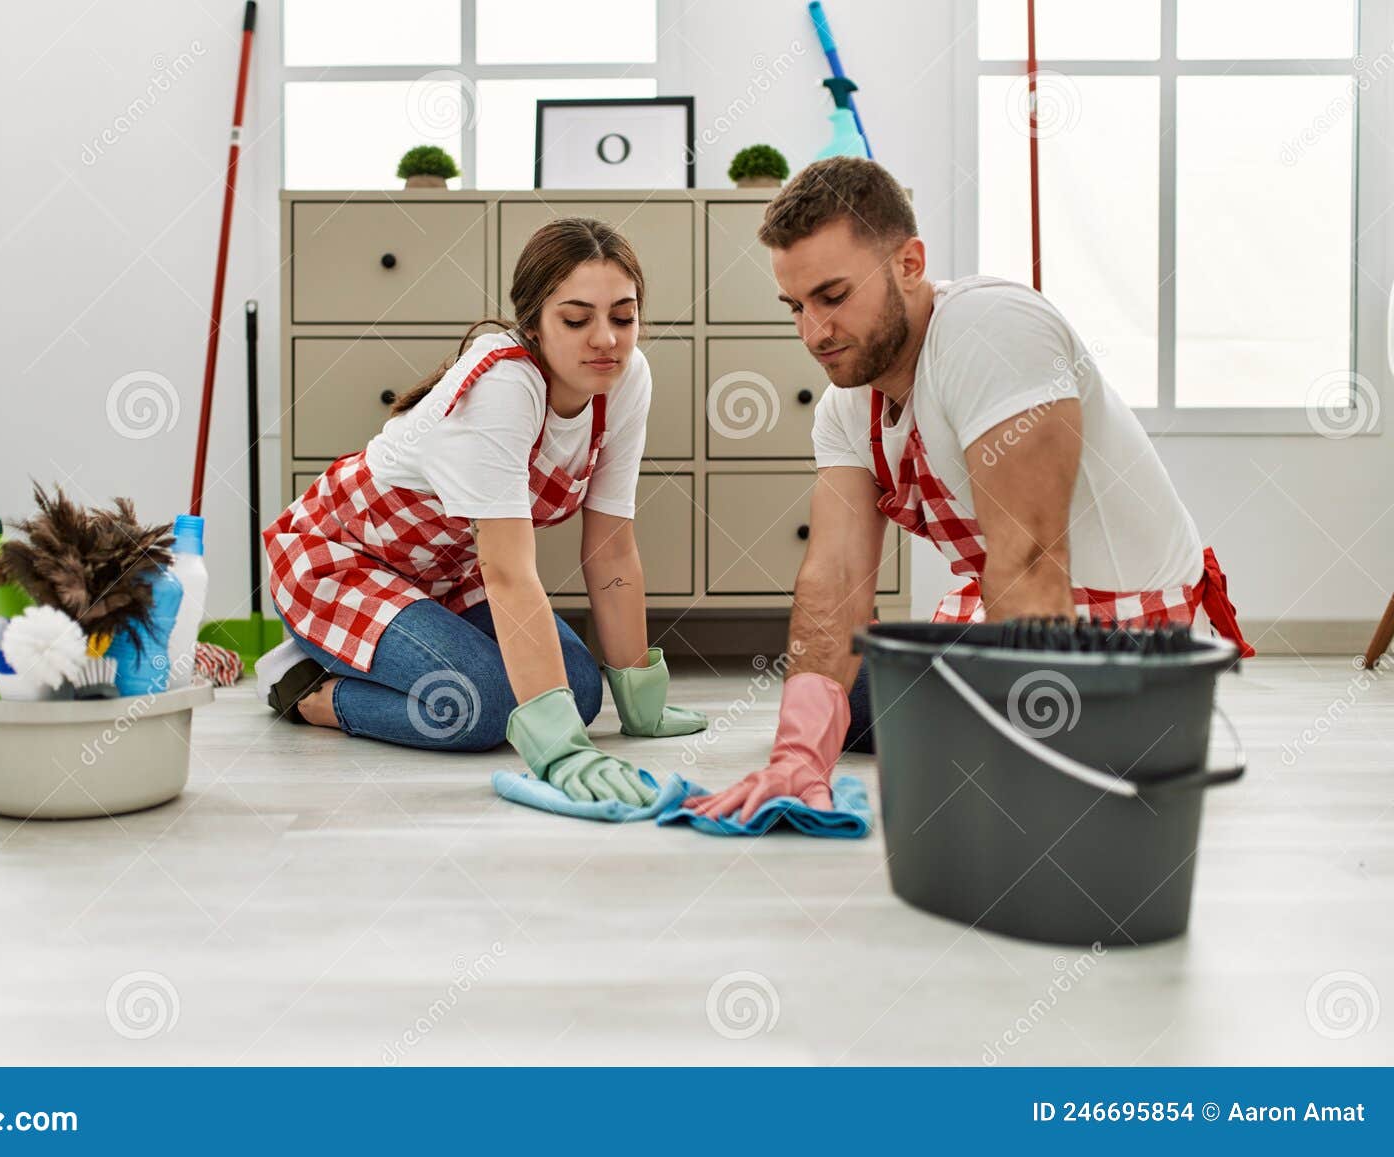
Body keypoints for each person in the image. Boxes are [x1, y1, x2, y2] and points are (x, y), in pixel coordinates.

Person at [689, 157, 1252, 821]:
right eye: (797, 306)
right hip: (1013, 623)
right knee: (848, 694)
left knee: (913, 715)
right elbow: (834, 578)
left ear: (909, 263)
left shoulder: (991, 332)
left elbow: (1033, 559)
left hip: (1126, 648)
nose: (813, 333)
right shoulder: (849, 408)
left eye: (834, 296)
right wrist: (799, 755)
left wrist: (1037, 789)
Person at [258, 218, 705, 805]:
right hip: (342, 563)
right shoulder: (502, 389)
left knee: (579, 691)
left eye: (623, 317)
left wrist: (639, 700)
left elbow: (611, 546)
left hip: (445, 577)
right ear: (535, 325)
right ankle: (309, 690)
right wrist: (562, 751)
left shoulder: (624, 381)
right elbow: (509, 572)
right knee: (478, 705)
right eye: (576, 319)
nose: (606, 340)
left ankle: (389, 660)